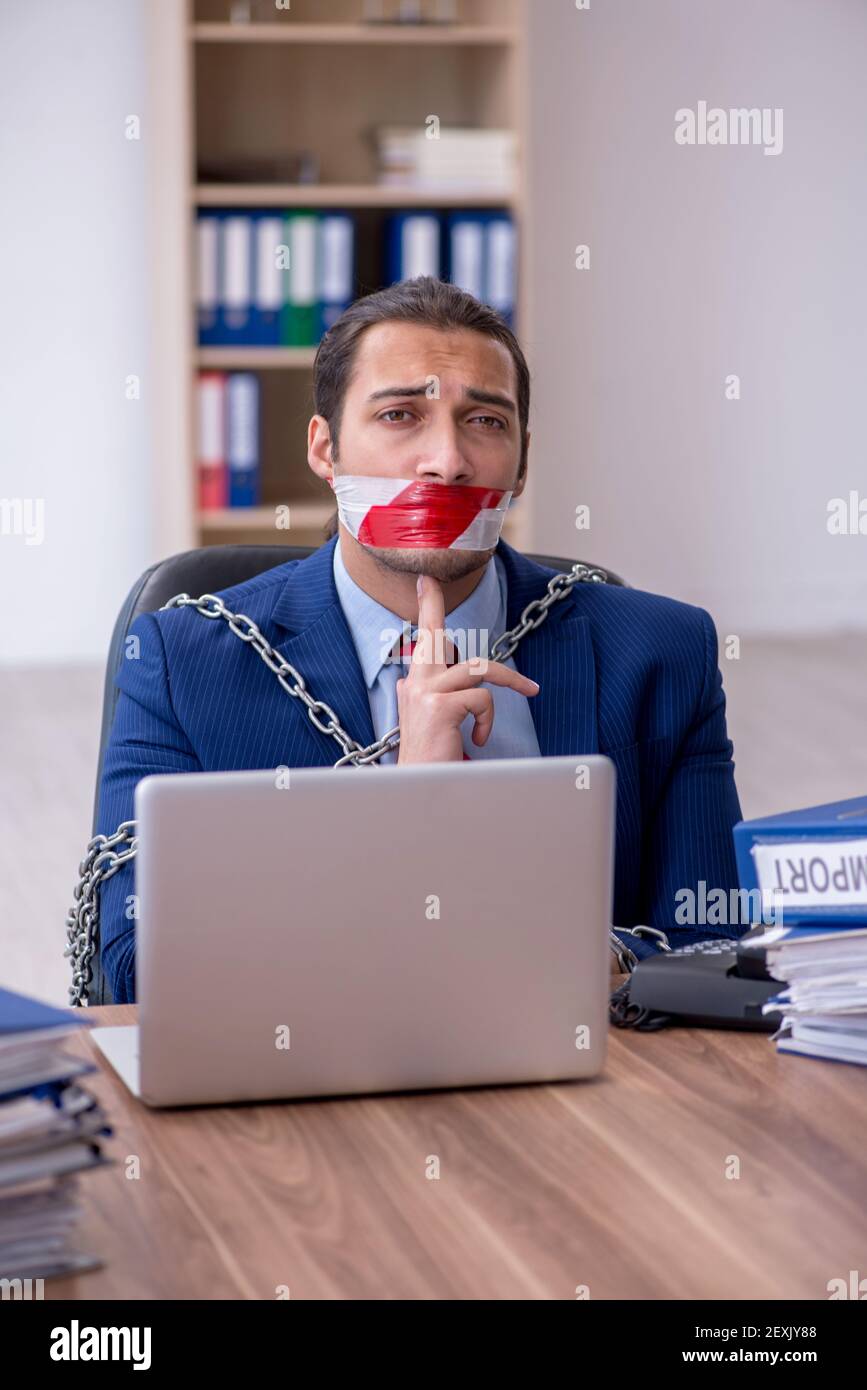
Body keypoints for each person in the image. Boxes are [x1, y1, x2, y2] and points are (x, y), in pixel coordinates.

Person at [96, 276, 744, 1004]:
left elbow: (714, 940)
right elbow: (133, 971)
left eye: (485, 422)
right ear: (325, 448)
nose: (446, 461)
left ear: (522, 462)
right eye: (401, 414)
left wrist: (561, 957)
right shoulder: (179, 662)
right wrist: (408, 802)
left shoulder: (663, 652)